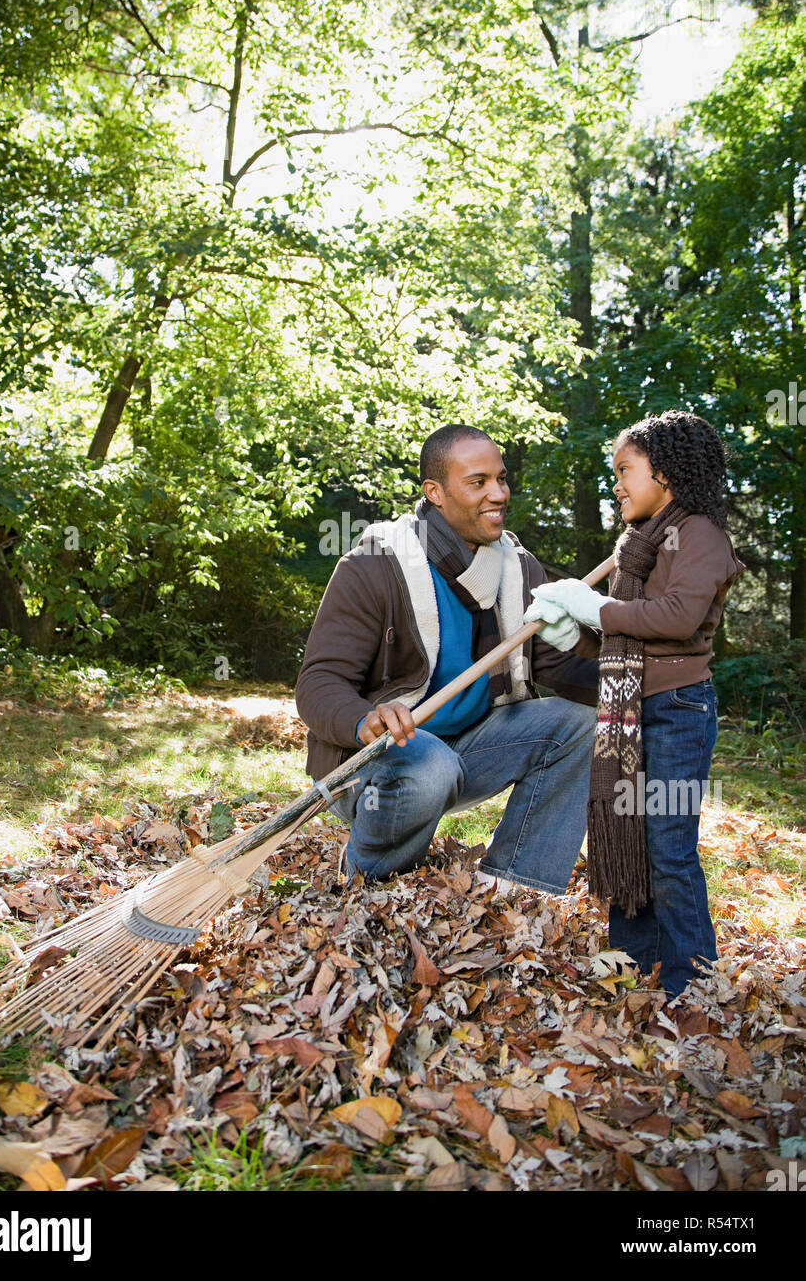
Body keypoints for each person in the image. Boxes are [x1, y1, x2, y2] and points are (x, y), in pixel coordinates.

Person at [295, 424, 600, 893]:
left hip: (471, 749)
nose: (498, 493)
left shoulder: (519, 568)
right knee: (429, 763)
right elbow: (319, 682)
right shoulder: (377, 562)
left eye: (501, 479)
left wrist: (633, 668)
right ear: (434, 492)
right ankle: (370, 884)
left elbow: (555, 667)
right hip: (376, 761)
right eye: (478, 482)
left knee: (579, 726)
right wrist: (365, 720)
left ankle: (516, 885)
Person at [526, 410, 745, 1000]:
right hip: (630, 710)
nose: (616, 484)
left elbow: (677, 618)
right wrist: (574, 632)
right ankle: (629, 969)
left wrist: (592, 606)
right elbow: (629, 636)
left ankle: (690, 987)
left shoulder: (699, 532)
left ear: (667, 473)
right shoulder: (640, 543)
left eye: (626, 469)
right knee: (629, 835)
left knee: (668, 847)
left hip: (676, 710)